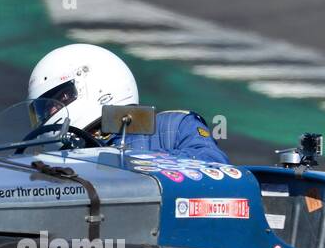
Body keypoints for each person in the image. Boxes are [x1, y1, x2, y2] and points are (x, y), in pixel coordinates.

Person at [27, 43, 229, 164]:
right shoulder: (57, 160)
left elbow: (214, 166)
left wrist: (133, 163)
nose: (51, 110)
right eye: (44, 109)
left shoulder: (174, 126)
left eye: (60, 98)